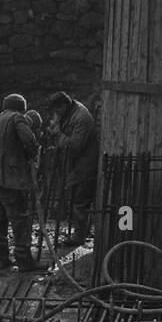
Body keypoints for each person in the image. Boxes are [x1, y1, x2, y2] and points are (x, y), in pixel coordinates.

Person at [0, 93, 47, 274]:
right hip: (11, 176)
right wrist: (32, 153)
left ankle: (2, 259)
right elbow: (28, 139)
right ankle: (24, 261)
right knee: (20, 219)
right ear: (22, 108)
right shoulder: (17, 118)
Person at [46, 91, 99, 243]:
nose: (55, 113)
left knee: (80, 200)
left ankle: (79, 236)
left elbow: (76, 145)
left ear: (64, 105)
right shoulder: (68, 112)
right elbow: (58, 124)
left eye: (57, 110)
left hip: (85, 164)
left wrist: (58, 135)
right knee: (76, 199)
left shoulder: (81, 117)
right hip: (74, 164)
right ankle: (81, 231)